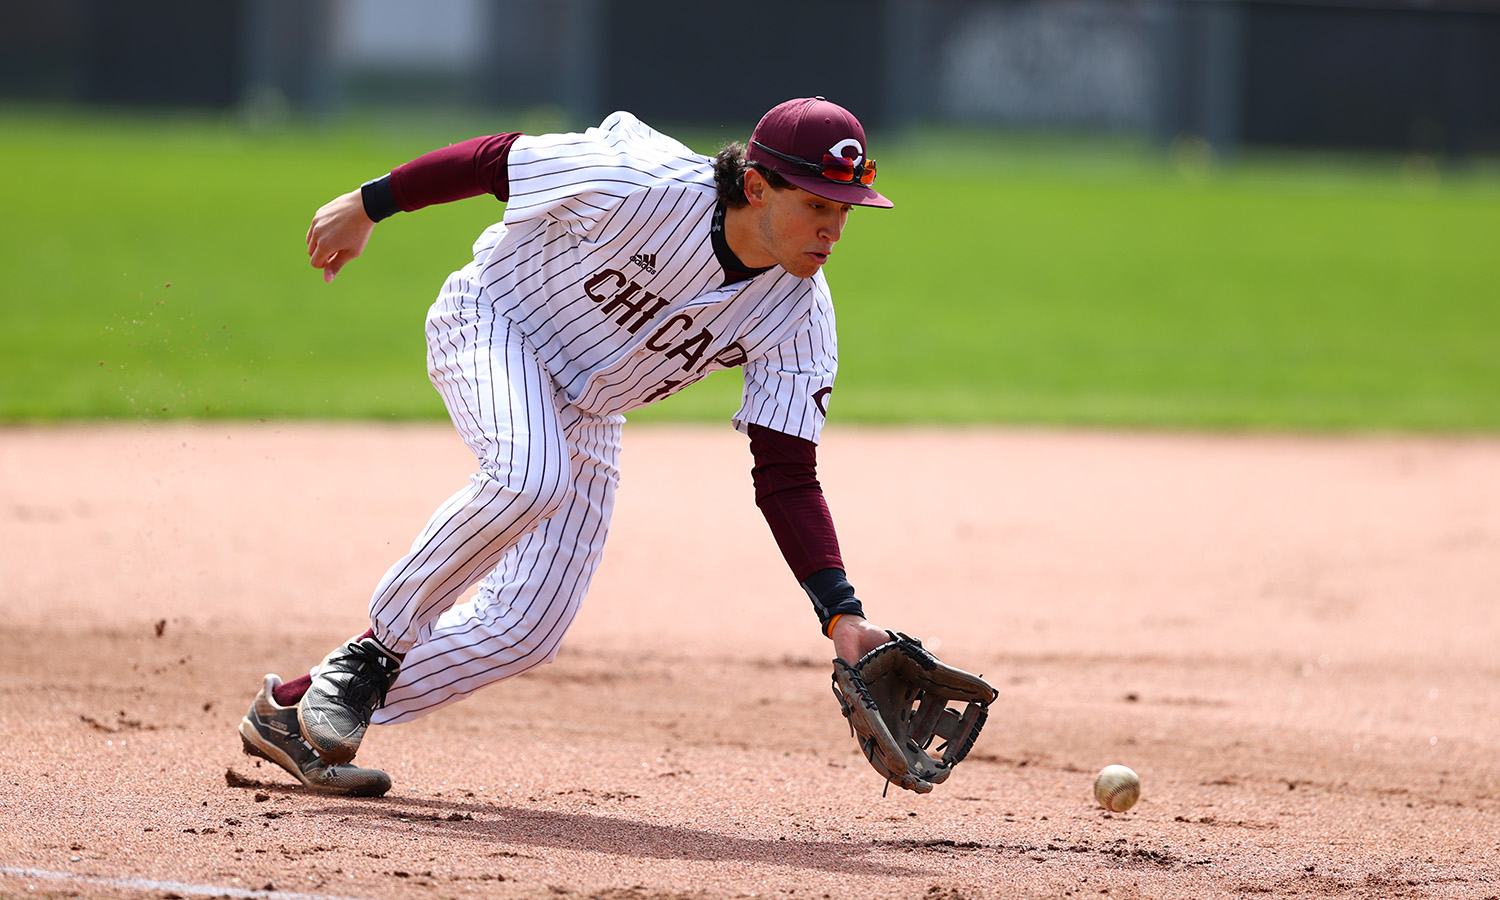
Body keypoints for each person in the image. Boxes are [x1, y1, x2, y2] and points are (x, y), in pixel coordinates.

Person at [238, 96, 897, 795]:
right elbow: (497, 161)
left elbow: (787, 476)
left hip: (591, 410)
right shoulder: (640, 179)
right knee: (529, 477)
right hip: (495, 322)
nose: (833, 229)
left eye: (844, 210)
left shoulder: (801, 318)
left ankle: (293, 712)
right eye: (816, 205)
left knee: (527, 630)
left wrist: (841, 614)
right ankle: (373, 653)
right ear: (756, 186)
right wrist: (368, 205)